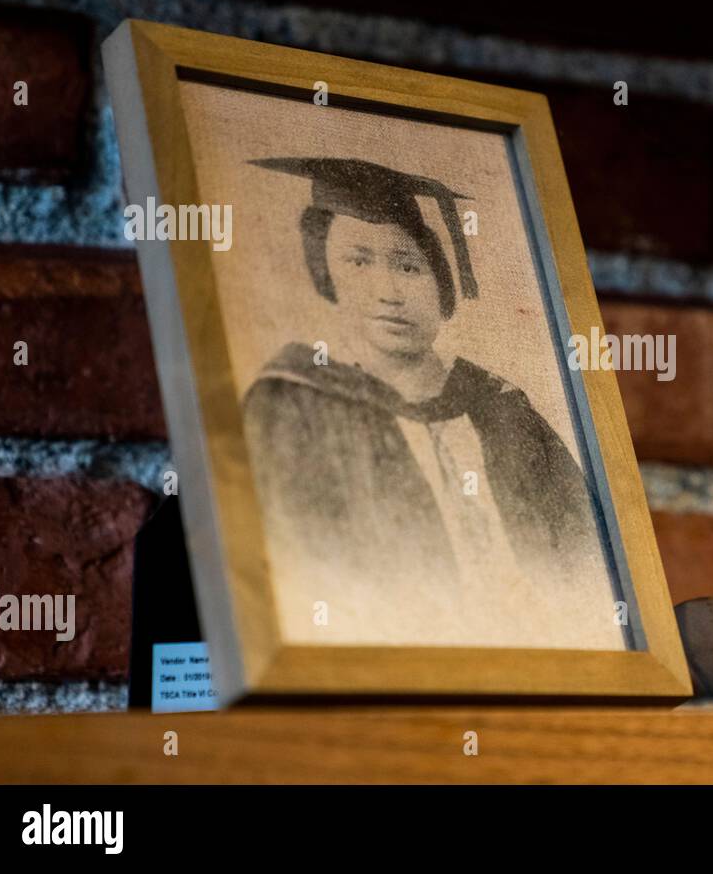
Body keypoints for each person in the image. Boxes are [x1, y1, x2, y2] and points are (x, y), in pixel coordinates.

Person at [241, 157, 624, 648]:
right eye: (358, 261)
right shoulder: (293, 409)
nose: (389, 292)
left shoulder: (505, 412)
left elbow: (583, 569)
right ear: (326, 275)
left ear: (443, 282)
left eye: (408, 266)